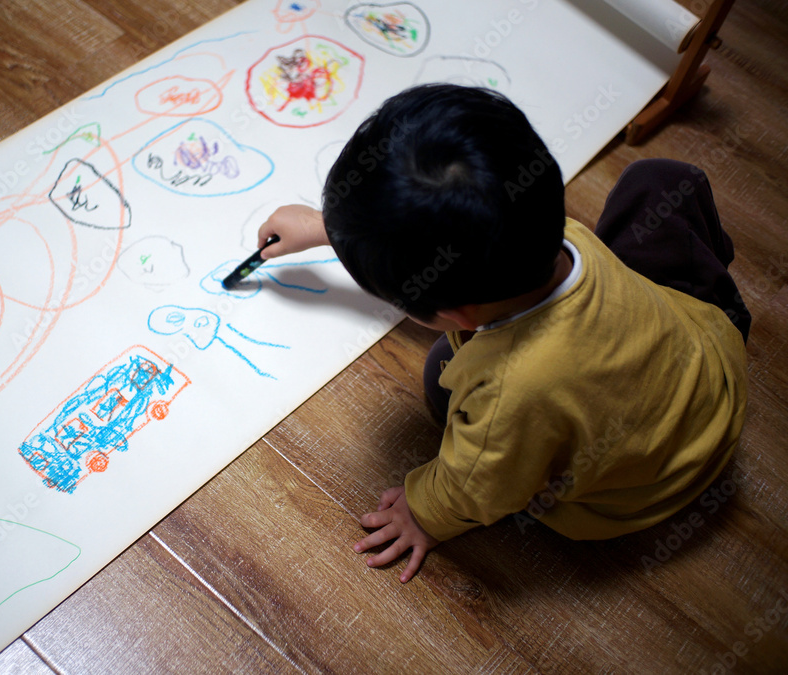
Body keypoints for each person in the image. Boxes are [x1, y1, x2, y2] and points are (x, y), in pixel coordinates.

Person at [256, 84, 750, 583]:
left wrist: (424, 514)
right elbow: (435, 233)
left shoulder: (504, 397)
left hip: (649, 482)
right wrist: (331, 228)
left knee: (440, 376)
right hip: (705, 357)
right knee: (659, 183)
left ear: (458, 313)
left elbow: (475, 486)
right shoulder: (543, 230)